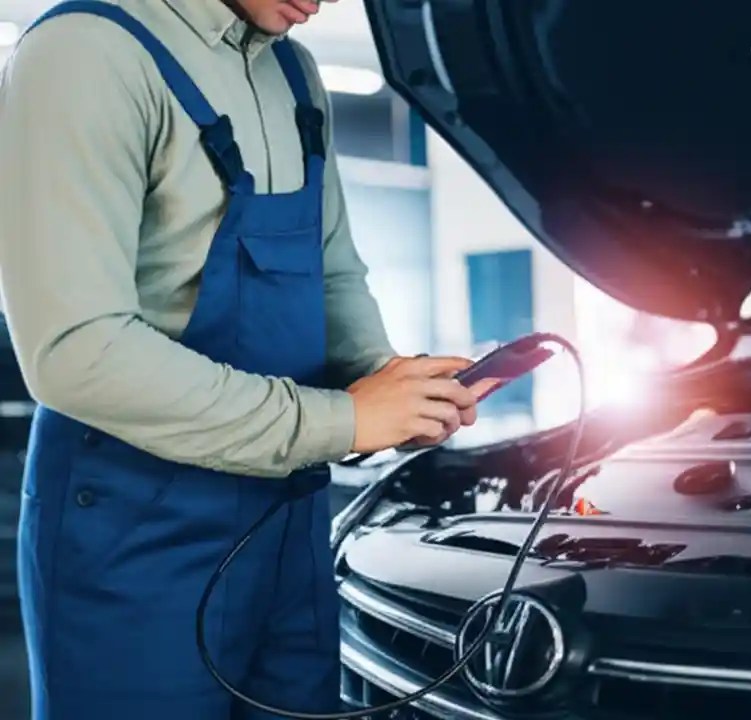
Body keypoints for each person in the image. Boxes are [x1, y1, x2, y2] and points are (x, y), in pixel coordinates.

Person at [0, 1, 495, 717]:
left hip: (287, 524)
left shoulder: (292, 71)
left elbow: (332, 274)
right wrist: (343, 419)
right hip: (133, 537)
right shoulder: (86, 52)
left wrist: (388, 385)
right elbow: (76, 351)